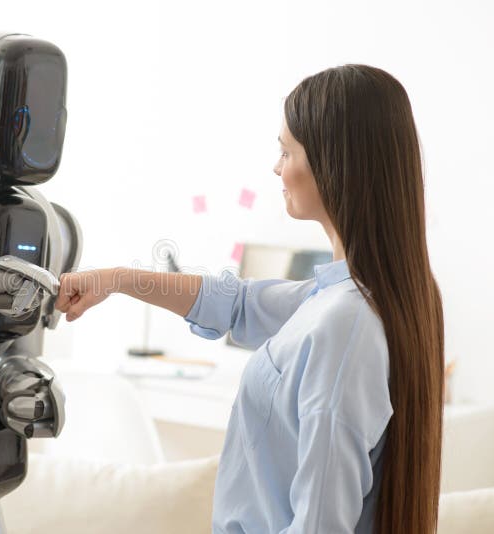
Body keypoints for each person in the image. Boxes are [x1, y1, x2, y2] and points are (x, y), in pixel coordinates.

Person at [54, 64, 444, 534]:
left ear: (334, 162)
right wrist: (114, 279)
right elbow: (235, 303)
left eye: (286, 152)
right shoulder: (342, 296)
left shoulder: (346, 324)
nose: (276, 167)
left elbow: (320, 525)